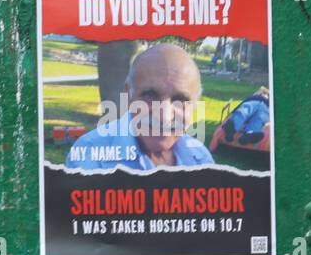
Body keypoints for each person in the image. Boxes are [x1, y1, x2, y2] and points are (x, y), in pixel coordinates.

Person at [65, 43, 214, 171]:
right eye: (150, 95)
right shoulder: (89, 157)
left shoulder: (200, 159)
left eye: (180, 100)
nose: (164, 117)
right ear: (128, 94)